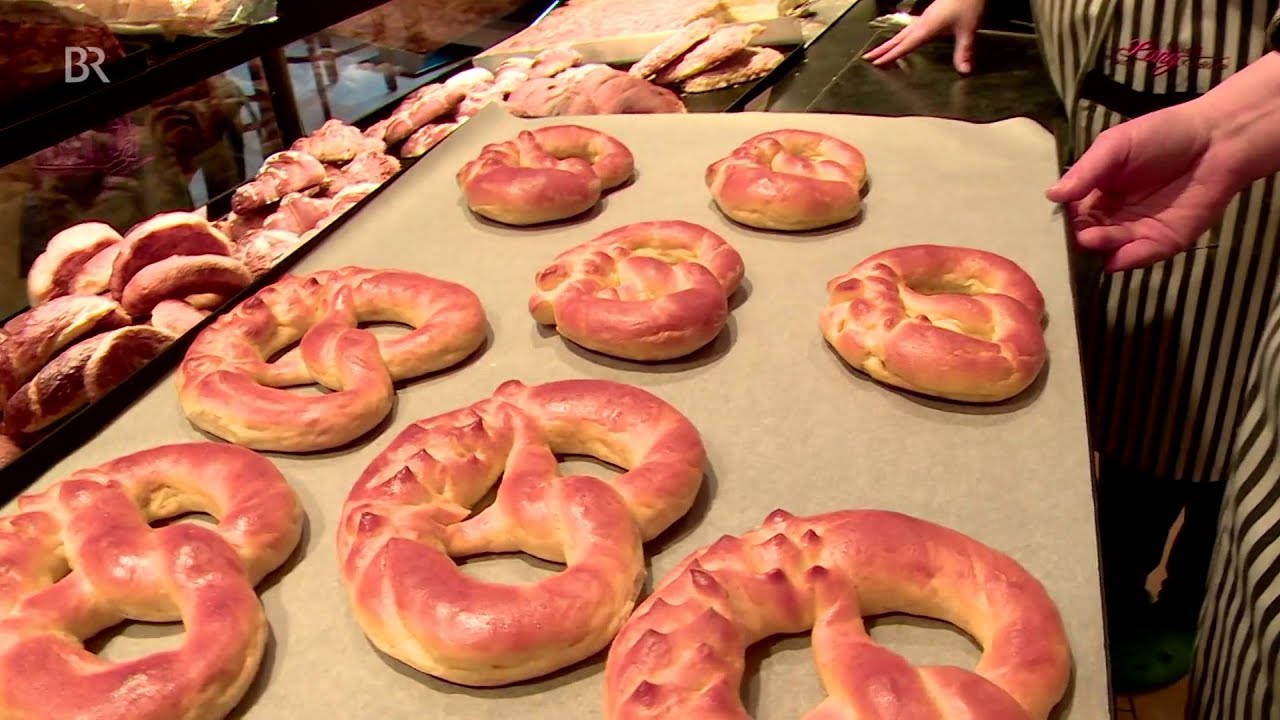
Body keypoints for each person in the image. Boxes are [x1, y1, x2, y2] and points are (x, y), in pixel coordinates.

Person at [865, 0, 1280, 691]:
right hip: (1112, 122)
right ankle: (1115, 582)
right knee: (1112, 390)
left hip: (1252, 172)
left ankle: (1180, 597)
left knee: (1207, 411)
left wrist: (1229, 124)